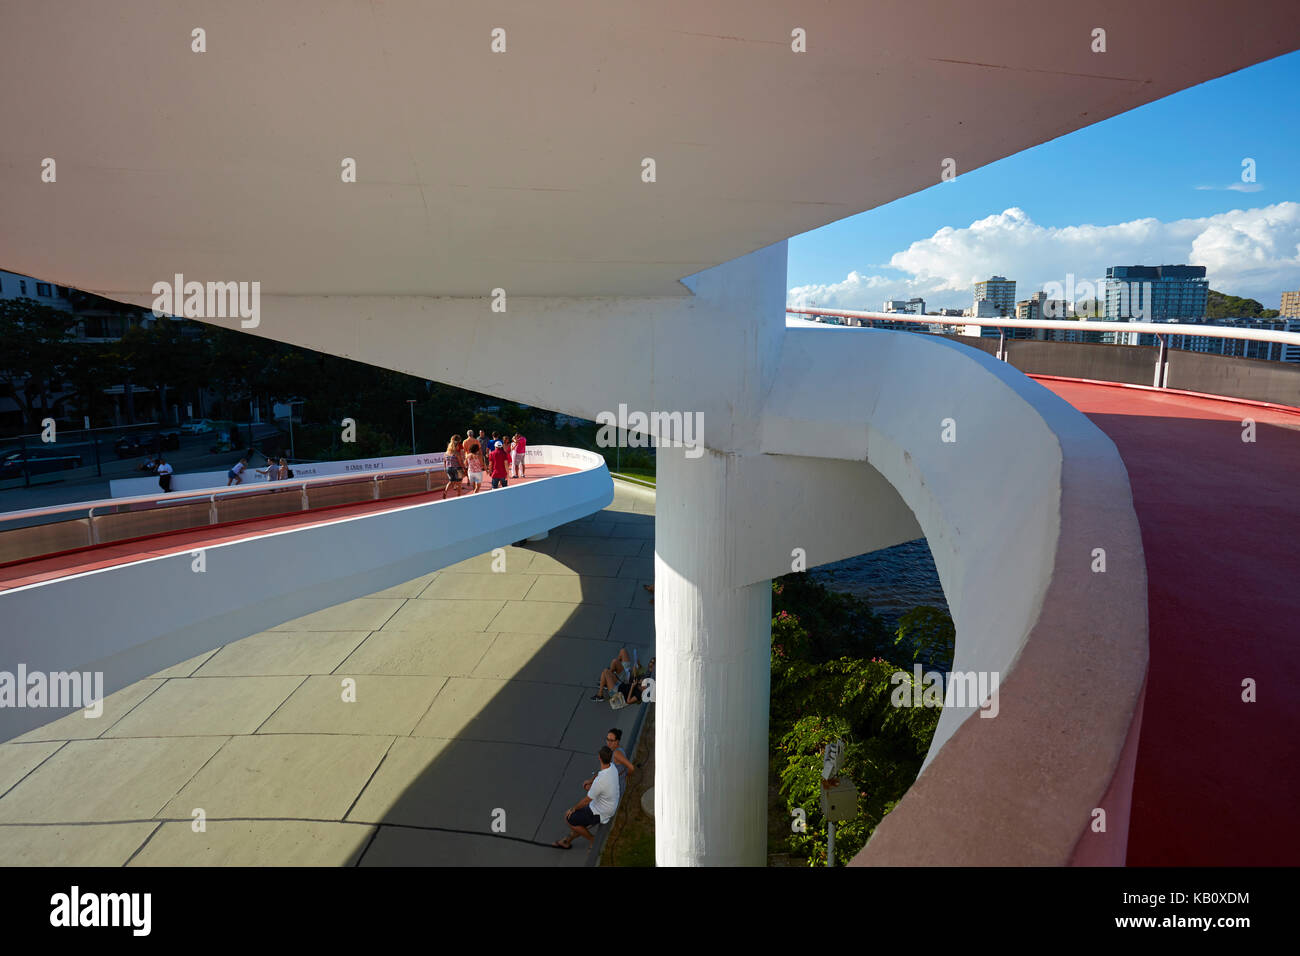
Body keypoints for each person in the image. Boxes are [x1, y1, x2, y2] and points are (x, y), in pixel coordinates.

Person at [553, 746, 619, 849]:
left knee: (569, 818)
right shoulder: (612, 767)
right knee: (579, 823)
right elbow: (599, 774)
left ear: (599, 758)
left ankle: (592, 839)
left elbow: (586, 801)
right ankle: (566, 841)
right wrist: (590, 781)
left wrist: (573, 808)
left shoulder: (600, 782)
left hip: (601, 811)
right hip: (609, 804)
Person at [590, 728, 635, 800]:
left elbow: (631, 767)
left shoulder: (617, 753)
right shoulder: (616, 750)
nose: (608, 743)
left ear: (617, 741)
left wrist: (626, 775)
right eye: (607, 739)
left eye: (611, 740)